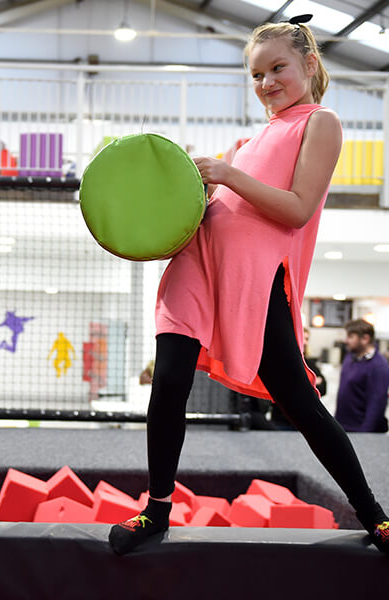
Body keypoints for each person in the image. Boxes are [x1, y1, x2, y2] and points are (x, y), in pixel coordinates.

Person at [108, 16, 389, 555]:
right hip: (197, 267)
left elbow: (298, 209)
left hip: (253, 283)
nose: (265, 83)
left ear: (309, 64)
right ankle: (157, 511)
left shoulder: (319, 123)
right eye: (256, 74)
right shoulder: (247, 140)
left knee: (300, 403)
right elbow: (210, 213)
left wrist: (227, 173)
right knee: (169, 381)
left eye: (277, 68)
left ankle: (374, 515)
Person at [335, 319, 389, 433]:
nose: (346, 340)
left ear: (365, 338)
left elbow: (376, 406)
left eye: (350, 337)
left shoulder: (378, 366)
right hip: (343, 427)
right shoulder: (350, 357)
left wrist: (364, 435)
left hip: (360, 430)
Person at [271, 327, 326, 429]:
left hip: (305, 421)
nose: (305, 342)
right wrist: (312, 383)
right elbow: (286, 393)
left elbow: (323, 389)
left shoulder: (309, 363)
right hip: (282, 422)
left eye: (307, 339)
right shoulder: (280, 363)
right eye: (302, 338)